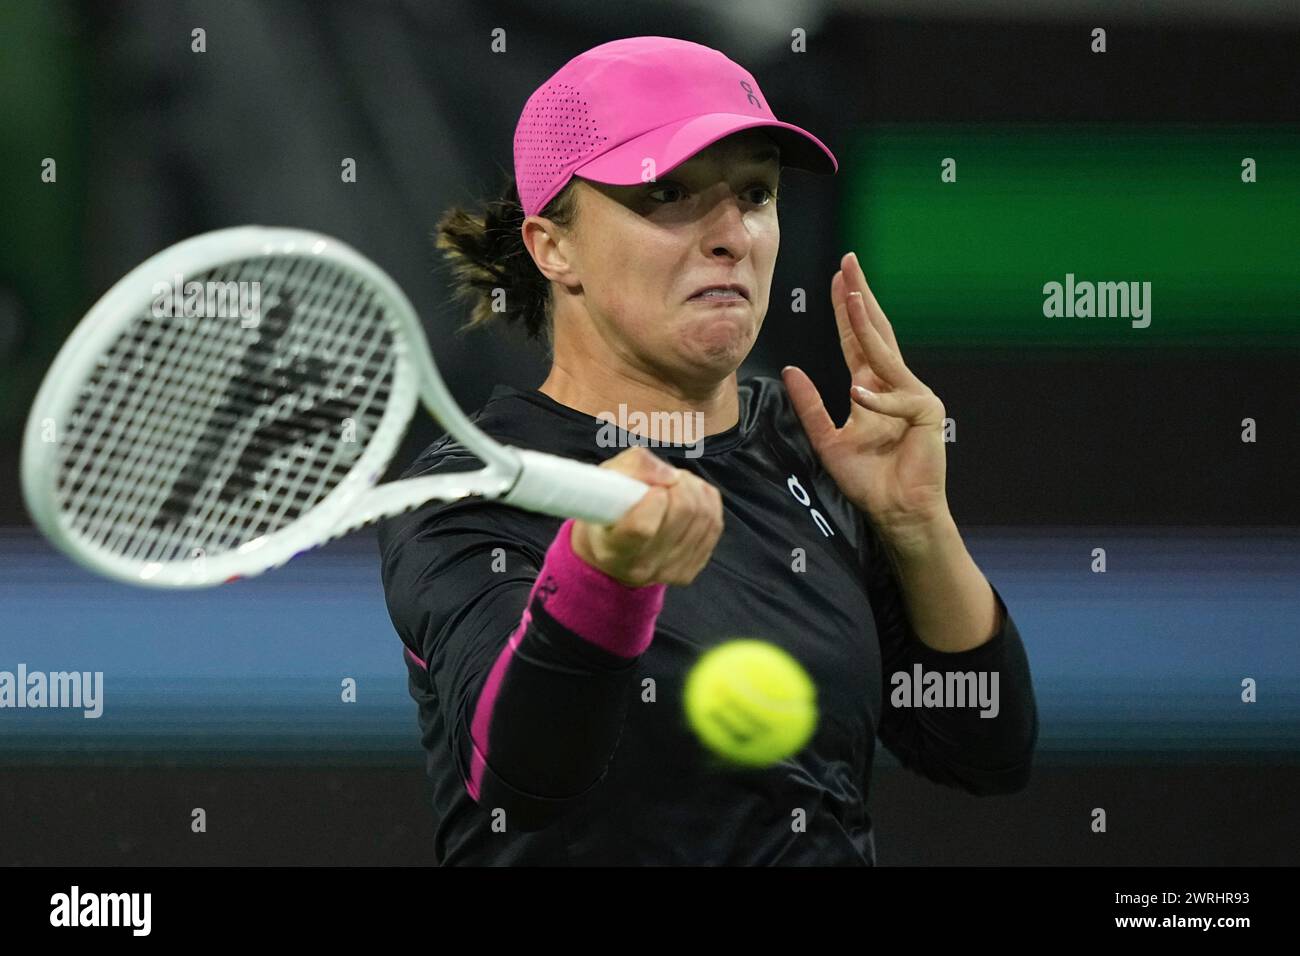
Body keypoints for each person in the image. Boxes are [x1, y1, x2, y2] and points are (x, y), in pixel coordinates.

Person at [377, 35, 1037, 865]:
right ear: (553, 247)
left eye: (755, 194)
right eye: (668, 193)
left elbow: (982, 748)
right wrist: (605, 575)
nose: (732, 234)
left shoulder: (811, 450)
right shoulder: (472, 496)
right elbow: (525, 778)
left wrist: (917, 526)